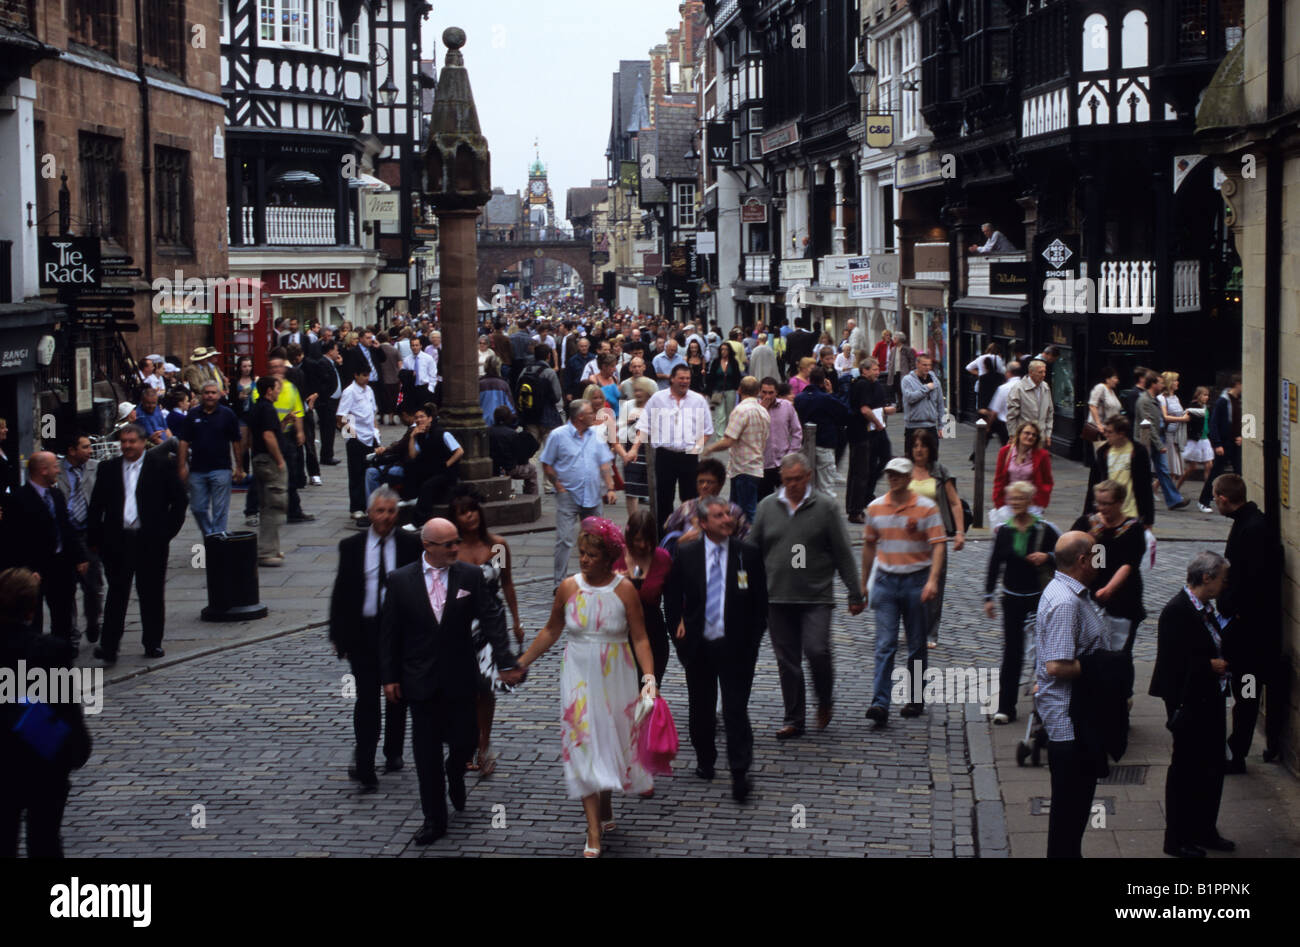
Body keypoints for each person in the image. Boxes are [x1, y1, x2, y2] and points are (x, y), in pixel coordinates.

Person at [511, 517, 657, 857]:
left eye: (592, 554)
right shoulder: (568, 588)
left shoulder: (624, 592)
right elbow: (551, 630)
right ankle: (593, 829)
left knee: (612, 743)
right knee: (584, 744)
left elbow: (640, 637)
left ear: (608, 557)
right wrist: (522, 661)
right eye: (581, 553)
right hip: (578, 676)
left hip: (616, 673)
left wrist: (648, 678)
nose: (584, 559)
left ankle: (605, 806)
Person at [379, 518, 519, 846]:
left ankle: (455, 771)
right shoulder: (400, 581)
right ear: (427, 546)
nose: (457, 548)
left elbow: (491, 620)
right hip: (420, 680)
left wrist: (506, 659)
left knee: (465, 740)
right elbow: (390, 634)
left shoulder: (470, 575)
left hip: (460, 677)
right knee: (425, 753)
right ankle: (434, 819)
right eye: (449, 544)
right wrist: (389, 677)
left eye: (457, 541)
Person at [749, 453, 865, 739]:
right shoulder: (767, 508)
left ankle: (824, 698)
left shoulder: (825, 508)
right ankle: (794, 717)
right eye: (788, 481)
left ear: (809, 476)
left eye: (798, 479)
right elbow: (752, 552)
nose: (793, 485)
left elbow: (843, 553)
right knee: (787, 660)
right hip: (777, 597)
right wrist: (746, 589)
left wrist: (855, 592)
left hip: (816, 596)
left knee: (817, 650)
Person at [662, 495, 767, 801]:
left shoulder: (747, 554)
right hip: (699, 646)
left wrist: (753, 641)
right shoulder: (688, 553)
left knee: (735, 710)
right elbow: (672, 597)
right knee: (702, 710)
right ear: (705, 523)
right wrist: (677, 631)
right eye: (720, 516)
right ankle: (705, 760)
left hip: (736, 648)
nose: (728, 520)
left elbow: (761, 603)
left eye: (729, 515)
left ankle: (739, 771)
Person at [329, 486, 422, 791]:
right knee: (367, 698)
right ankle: (365, 762)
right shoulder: (351, 546)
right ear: (369, 513)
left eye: (391, 511)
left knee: (398, 695)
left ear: (398, 514)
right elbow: (342, 591)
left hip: (400, 632)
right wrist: (338, 635)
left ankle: (393, 751)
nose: (385, 517)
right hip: (364, 633)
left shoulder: (410, 544)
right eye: (379, 511)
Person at [0, 567, 91, 858]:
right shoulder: (51, 651)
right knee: (46, 840)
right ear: (31, 610)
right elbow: (67, 710)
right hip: (44, 759)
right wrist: (76, 750)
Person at [1149, 551, 1235, 858]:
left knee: (1212, 767)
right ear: (1207, 578)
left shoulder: (1205, 608)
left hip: (1210, 697)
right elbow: (1172, 662)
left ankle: (1204, 829)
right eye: (1222, 579)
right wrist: (1208, 665)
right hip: (1188, 702)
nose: (1225, 585)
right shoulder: (1178, 610)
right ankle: (1177, 838)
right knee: (1186, 769)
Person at [85, 424, 187, 663]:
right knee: (117, 594)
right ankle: (109, 646)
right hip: (118, 541)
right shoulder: (108, 468)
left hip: (150, 541)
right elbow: (96, 507)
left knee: (151, 593)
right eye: (124, 441)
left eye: (132, 441)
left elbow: (180, 502)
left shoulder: (161, 466)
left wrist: (166, 533)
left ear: (143, 443)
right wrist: (95, 539)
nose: (127, 446)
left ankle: (152, 643)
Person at [1034, 531, 1107, 858]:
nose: (1099, 560)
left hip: (1075, 717)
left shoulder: (1066, 591)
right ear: (1082, 561)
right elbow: (1056, 666)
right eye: (1096, 554)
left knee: (1072, 813)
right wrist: (1106, 667)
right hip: (1069, 723)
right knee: (1070, 811)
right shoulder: (1065, 602)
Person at [861, 457, 946, 725]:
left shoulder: (926, 508)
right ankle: (880, 702)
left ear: (909, 478)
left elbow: (939, 544)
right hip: (886, 581)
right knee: (884, 644)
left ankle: (915, 698)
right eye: (890, 474)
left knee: (916, 645)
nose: (893, 478)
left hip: (916, 581)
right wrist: (863, 583)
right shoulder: (875, 508)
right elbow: (868, 546)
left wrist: (932, 580)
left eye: (898, 474)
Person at [448, 488, 526, 777]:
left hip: (490, 623)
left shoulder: (498, 547)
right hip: (459, 622)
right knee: (464, 687)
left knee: (485, 686)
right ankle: (467, 742)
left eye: (472, 510)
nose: (469, 516)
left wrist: (516, 621)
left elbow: (507, 582)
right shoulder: (452, 549)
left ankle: (483, 743)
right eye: (462, 512)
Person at [1212, 473, 1285, 770]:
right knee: (1248, 692)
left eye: (1215, 496)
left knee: (1248, 691)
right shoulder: (1249, 522)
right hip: (1252, 629)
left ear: (1223, 498)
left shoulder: (1251, 529)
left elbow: (1253, 580)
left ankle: (1238, 752)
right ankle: (1251, 746)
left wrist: (1232, 608)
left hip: (1251, 634)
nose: (1214, 501)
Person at [984, 481, 1059, 724]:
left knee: (1042, 652)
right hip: (1012, 598)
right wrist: (988, 596)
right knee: (1012, 654)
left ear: (1029, 501)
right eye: (1012, 499)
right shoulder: (1004, 530)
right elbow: (995, 564)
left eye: (1020, 499)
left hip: (1039, 597)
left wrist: (1047, 556)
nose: (1015, 503)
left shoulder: (1044, 530)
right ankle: (1006, 707)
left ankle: (1042, 705)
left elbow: (1064, 555)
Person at [0, 453, 88, 642]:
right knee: (33, 618)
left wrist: (79, 556)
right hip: (35, 569)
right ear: (43, 470)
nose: (58, 470)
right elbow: (12, 540)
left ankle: (61, 654)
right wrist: (25, 570)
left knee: (63, 615)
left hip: (60, 566)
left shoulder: (56, 495)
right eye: (55, 467)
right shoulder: (18, 499)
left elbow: (66, 527)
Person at [540, 401, 617, 589]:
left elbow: (604, 463)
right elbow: (546, 463)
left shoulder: (596, 436)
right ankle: (559, 583)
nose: (594, 416)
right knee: (565, 539)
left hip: (593, 494)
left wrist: (610, 486)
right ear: (579, 417)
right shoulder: (558, 435)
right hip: (568, 494)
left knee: (597, 539)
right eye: (591, 413)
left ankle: (597, 577)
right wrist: (558, 485)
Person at [1072, 480, 1146, 655]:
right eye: (1098, 503)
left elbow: (1128, 564)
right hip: (1092, 595)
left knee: (1119, 653)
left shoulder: (1133, 529)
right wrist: (1090, 541)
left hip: (1123, 596)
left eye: (1107, 504)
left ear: (1120, 502)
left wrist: (1109, 589)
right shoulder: (1088, 524)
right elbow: (1071, 553)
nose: (1101, 508)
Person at [906, 429, 964, 648]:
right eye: (915, 446)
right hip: (909, 537)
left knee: (934, 583)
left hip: (935, 536)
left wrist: (959, 532)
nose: (919, 450)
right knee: (910, 585)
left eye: (923, 445)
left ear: (931, 448)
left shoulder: (940, 471)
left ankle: (931, 632)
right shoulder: (905, 471)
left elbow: (955, 503)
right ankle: (912, 628)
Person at [637, 363, 713, 531]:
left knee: (690, 499)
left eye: (688, 378)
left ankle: (690, 536)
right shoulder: (658, 399)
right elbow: (644, 425)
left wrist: (696, 449)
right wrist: (634, 449)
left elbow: (707, 431)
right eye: (681, 378)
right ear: (672, 379)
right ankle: (664, 540)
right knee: (664, 499)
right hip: (665, 456)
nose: (685, 381)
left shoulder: (698, 400)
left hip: (689, 456)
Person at [613, 509, 674, 689]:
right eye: (637, 540)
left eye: (646, 540)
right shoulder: (615, 557)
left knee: (648, 692)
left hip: (653, 633)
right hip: (621, 634)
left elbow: (673, 597)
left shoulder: (662, 558)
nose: (641, 545)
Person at [175, 381, 244, 536]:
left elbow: (236, 441)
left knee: (220, 510)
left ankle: (217, 540)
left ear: (219, 395)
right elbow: (184, 441)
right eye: (206, 393)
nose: (210, 396)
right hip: (197, 469)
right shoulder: (193, 415)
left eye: (213, 392)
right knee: (197, 508)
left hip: (221, 468)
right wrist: (181, 466)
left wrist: (239, 467)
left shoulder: (227, 414)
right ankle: (210, 534)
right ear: (201, 395)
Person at [700, 375, 769, 522]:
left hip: (743, 467)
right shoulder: (763, 411)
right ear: (758, 391)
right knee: (738, 511)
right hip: (755, 466)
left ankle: (750, 541)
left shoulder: (741, 411)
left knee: (745, 513)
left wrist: (710, 448)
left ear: (739, 390)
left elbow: (729, 440)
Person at [56, 434, 102, 645]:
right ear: (71, 450)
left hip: (88, 534)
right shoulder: (56, 470)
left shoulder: (96, 467)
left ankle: (93, 622)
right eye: (85, 447)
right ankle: (71, 634)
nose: (89, 451)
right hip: (65, 535)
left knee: (92, 586)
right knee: (66, 589)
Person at [661, 458, 752, 551]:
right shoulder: (687, 508)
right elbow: (669, 529)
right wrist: (680, 542)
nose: (704, 486)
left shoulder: (733, 511)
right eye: (701, 482)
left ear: (721, 484)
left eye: (710, 482)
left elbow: (746, 541)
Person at [847, 355, 895, 522]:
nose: (878, 372)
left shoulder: (870, 384)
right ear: (864, 370)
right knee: (860, 472)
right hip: (862, 433)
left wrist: (884, 412)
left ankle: (861, 500)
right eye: (874, 369)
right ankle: (855, 510)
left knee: (877, 463)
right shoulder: (863, 384)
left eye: (878, 368)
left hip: (868, 432)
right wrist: (878, 423)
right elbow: (865, 410)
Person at [248, 376, 290, 565]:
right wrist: (280, 460)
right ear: (269, 391)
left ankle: (272, 548)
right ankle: (266, 552)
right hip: (269, 461)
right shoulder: (267, 409)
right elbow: (268, 435)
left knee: (267, 505)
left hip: (258, 459)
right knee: (274, 506)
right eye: (276, 388)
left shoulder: (257, 408)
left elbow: (255, 434)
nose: (279, 391)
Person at [1085, 416, 1155, 527]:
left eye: (1110, 432)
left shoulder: (1138, 452)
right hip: (1107, 514)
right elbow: (1093, 484)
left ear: (1121, 433)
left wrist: (1148, 520)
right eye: (1105, 431)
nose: (1106, 435)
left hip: (1131, 513)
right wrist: (1088, 513)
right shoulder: (1103, 452)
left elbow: (1145, 486)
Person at [793, 367, 850, 495]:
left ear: (809, 380)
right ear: (824, 381)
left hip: (805, 445)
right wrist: (831, 393)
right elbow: (843, 414)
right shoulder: (826, 399)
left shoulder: (799, 399)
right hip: (825, 443)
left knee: (806, 485)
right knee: (826, 486)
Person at [1137, 372, 1189, 510]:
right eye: (1159, 382)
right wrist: (1159, 444)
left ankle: (1174, 500)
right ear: (1153, 384)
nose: (1162, 385)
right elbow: (1147, 424)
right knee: (1142, 471)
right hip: (1148, 440)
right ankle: (1137, 499)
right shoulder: (1145, 401)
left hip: (1158, 437)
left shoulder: (1154, 399)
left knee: (1164, 469)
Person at [989, 421, 1054, 529]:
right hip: (1009, 503)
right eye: (1027, 433)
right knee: (1006, 534)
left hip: (1032, 504)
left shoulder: (1042, 455)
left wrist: (1040, 502)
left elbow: (1048, 481)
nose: (1030, 437)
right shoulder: (1005, 452)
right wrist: (999, 502)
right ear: (1019, 434)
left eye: (1034, 435)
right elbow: (998, 480)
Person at [338, 367, 382, 523]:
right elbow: (341, 416)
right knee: (356, 473)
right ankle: (356, 507)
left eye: (368, 375)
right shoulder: (349, 391)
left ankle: (370, 504)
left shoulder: (369, 390)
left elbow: (372, 412)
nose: (366, 378)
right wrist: (352, 437)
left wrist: (376, 431)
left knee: (370, 471)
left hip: (370, 435)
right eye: (363, 375)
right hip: (356, 436)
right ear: (355, 374)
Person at [1197, 374, 1243, 512]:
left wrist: (1244, 437)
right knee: (1216, 472)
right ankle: (1204, 500)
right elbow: (1214, 423)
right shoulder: (1223, 401)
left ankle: (1238, 502)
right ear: (1236, 384)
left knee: (1239, 472)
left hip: (1236, 442)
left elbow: (1248, 418)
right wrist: (1217, 443)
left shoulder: (1241, 400)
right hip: (1225, 442)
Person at [616, 377, 657, 515]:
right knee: (631, 488)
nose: (637, 393)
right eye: (635, 390)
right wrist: (628, 423)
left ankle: (653, 518)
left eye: (640, 390)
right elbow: (619, 429)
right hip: (631, 448)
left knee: (652, 486)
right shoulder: (628, 405)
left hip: (651, 450)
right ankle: (633, 520)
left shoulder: (656, 405)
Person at [487, 406, 539, 496]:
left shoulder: (488, 431)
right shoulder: (511, 433)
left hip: (493, 467)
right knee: (532, 470)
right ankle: (531, 495)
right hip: (510, 468)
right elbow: (519, 453)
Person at [901, 352, 945, 457]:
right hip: (913, 427)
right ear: (917, 364)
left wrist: (941, 426)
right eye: (924, 365)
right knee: (911, 461)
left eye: (929, 365)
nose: (927, 367)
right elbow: (910, 398)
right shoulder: (907, 380)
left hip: (931, 427)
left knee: (933, 460)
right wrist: (926, 388)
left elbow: (940, 404)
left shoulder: (935, 381)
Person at [1005, 358, 1054, 450]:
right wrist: (1012, 435)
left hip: (1040, 438)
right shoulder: (1018, 388)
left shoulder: (1045, 387)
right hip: (1024, 437)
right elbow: (1012, 415)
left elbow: (1049, 413)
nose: (1043, 375)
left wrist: (1048, 434)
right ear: (1031, 372)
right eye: (1040, 372)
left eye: (1044, 372)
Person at [1178, 386, 1213, 494]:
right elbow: (1186, 418)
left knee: (1209, 465)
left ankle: (1208, 492)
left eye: (1207, 395)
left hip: (1205, 439)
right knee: (1192, 467)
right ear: (1198, 395)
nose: (1206, 397)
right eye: (1204, 395)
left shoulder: (1205, 407)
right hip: (1195, 440)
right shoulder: (1193, 407)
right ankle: (1177, 487)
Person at [1158, 372, 1191, 483]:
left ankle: (1161, 490)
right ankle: (1170, 495)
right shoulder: (1162, 398)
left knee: (1174, 469)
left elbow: (1179, 413)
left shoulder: (1175, 397)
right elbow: (1165, 417)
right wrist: (1183, 419)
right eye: (1175, 380)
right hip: (1168, 436)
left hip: (1177, 435)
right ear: (1169, 383)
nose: (1177, 382)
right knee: (1171, 468)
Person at [707, 340, 742, 433]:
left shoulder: (733, 362)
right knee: (719, 415)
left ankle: (729, 434)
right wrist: (710, 392)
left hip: (730, 390)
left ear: (729, 351)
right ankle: (720, 436)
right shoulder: (715, 362)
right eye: (722, 349)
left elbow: (737, 376)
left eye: (726, 349)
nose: (723, 351)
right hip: (717, 391)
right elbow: (711, 377)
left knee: (730, 413)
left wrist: (737, 388)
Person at [986, 361, 1020, 446]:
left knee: (1007, 450)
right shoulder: (1027, 386)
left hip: (1006, 426)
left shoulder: (1003, 388)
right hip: (1022, 424)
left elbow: (994, 411)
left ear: (1008, 373)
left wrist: (988, 426)